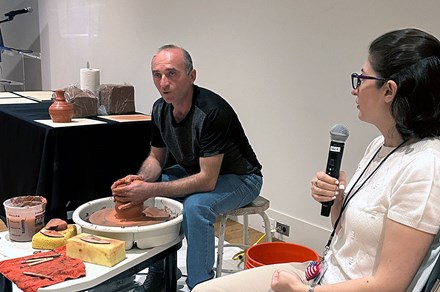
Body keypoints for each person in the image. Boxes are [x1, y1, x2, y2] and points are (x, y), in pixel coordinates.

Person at [193, 28, 440, 292]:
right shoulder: (381, 145)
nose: (354, 90)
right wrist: (337, 199)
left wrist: (303, 290)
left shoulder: (424, 168)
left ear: (389, 91)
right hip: (323, 274)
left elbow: (388, 286)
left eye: (361, 78)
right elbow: (345, 233)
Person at [111, 44, 263, 291]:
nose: (163, 82)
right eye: (156, 75)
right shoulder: (160, 109)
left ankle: (200, 285)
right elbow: (155, 159)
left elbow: (207, 181)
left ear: (192, 76)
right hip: (200, 171)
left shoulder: (212, 112)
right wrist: (140, 181)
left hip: (242, 178)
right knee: (154, 191)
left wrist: (148, 189)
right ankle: (160, 274)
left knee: (196, 206)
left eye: (172, 73)